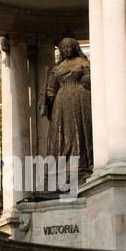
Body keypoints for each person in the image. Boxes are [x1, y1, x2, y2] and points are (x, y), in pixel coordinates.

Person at [41, 37, 93, 175]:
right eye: (64, 47)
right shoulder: (57, 68)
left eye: (70, 46)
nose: (67, 49)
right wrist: (47, 98)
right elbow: (51, 88)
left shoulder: (84, 63)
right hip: (62, 101)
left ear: (75, 47)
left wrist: (87, 78)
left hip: (80, 98)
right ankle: (62, 166)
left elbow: (90, 81)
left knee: (80, 129)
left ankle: (82, 162)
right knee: (62, 130)